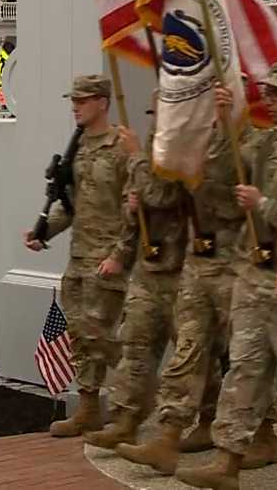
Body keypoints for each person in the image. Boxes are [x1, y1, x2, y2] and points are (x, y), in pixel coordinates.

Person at [176, 63, 277, 489]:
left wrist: (263, 205)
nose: (271, 99)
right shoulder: (262, 144)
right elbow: (220, 174)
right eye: (268, 91)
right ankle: (228, 460)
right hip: (254, 272)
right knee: (244, 368)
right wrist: (226, 122)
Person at [113, 109, 254, 475]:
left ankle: (264, 433)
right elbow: (157, 193)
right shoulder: (182, 146)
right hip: (198, 260)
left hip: (236, 263)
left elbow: (167, 194)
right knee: (188, 350)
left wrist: (137, 158)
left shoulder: (244, 143)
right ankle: (168, 438)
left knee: (246, 357)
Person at [23, 75, 133, 438]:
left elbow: (136, 211)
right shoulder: (79, 148)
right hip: (79, 256)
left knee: (105, 337)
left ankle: (130, 406)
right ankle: (88, 408)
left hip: (107, 258)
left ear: (102, 102)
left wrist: (119, 255)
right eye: (73, 100)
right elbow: (72, 207)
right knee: (80, 335)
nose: (75, 106)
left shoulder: (121, 148)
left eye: (83, 100)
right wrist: (43, 232)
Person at [84, 98, 191, 450]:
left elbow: (163, 195)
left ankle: (207, 419)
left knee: (191, 354)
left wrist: (136, 159)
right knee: (136, 345)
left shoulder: (182, 151)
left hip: (184, 268)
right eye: (154, 111)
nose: (156, 118)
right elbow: (136, 214)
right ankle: (127, 418)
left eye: (162, 111)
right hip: (149, 267)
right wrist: (121, 253)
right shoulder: (147, 150)